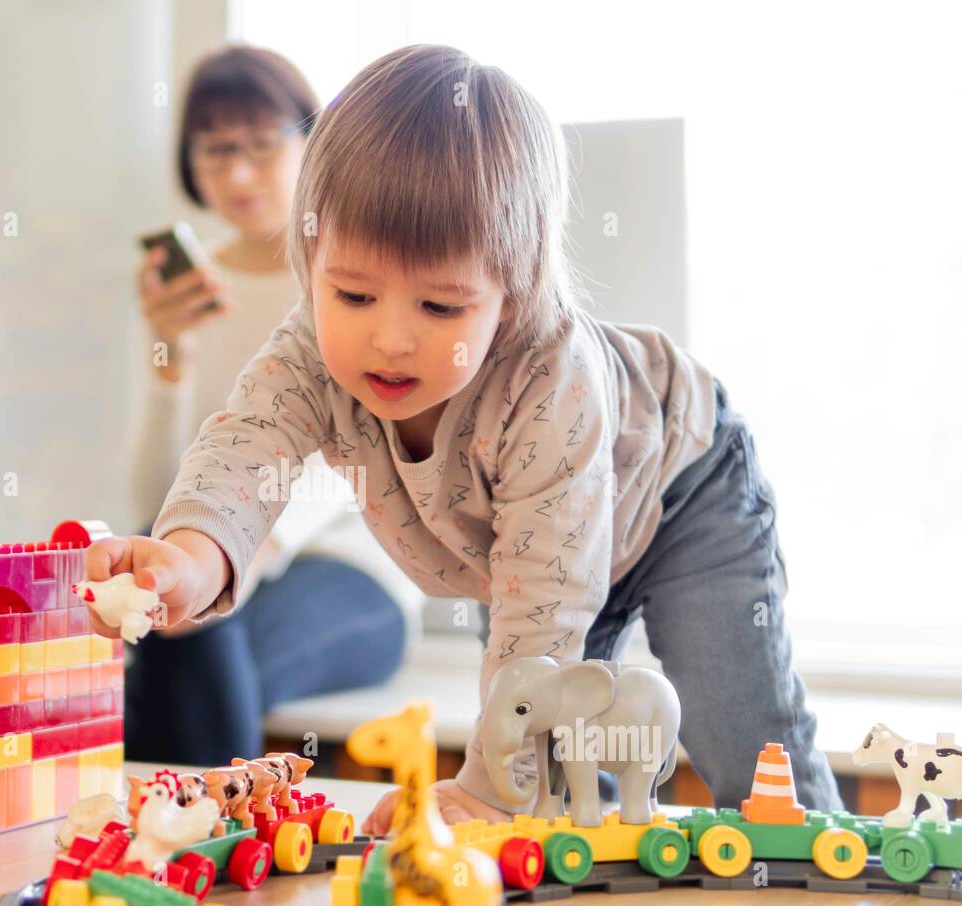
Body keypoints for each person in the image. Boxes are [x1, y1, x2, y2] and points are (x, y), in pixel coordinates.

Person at [96, 44, 841, 830]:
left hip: (681, 493)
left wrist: (485, 789)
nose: (389, 340)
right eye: (352, 292)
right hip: (527, 555)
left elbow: (545, 609)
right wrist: (187, 555)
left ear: (512, 295)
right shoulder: (311, 347)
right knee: (555, 770)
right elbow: (247, 446)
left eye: (442, 309)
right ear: (310, 261)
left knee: (742, 739)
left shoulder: (550, 379)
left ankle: (830, 890)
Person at [125, 46, 424, 765]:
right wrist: (171, 357)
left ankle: (159, 853)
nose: (237, 172)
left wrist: (256, 542)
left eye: (261, 145)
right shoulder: (188, 290)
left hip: (354, 567)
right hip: (222, 552)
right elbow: (158, 496)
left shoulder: (351, 278)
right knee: (183, 650)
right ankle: (209, 851)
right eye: (216, 149)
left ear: (311, 144)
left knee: (182, 652)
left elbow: (352, 456)